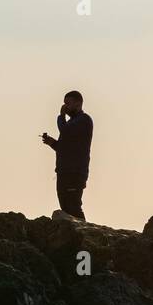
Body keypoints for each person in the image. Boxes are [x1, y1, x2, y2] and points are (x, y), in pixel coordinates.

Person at [41, 90, 93, 219]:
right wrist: (52, 143)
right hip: (63, 172)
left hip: (75, 172)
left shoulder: (84, 120)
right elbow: (64, 147)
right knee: (65, 206)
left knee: (73, 206)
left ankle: (84, 233)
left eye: (68, 103)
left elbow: (64, 131)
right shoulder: (71, 123)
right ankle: (74, 234)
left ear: (78, 103)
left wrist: (61, 116)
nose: (64, 107)